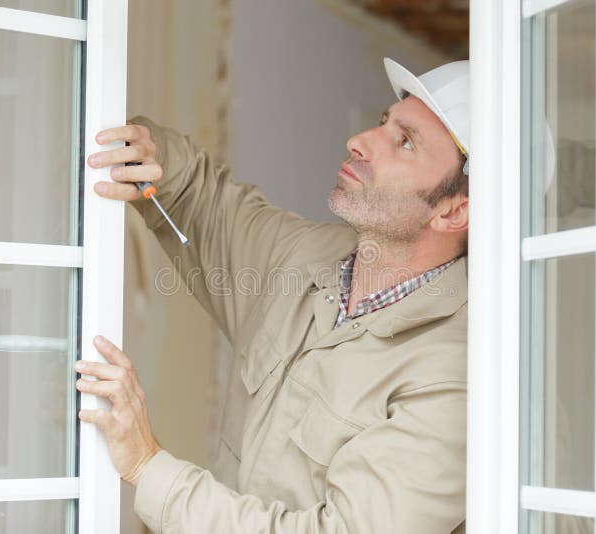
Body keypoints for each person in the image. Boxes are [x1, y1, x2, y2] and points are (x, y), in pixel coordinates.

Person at [76, 58, 471, 533]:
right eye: (384, 122)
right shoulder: (301, 259)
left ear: (454, 211)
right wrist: (145, 152)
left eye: (404, 142)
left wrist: (148, 467)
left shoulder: (456, 375)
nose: (361, 140)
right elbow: (201, 198)